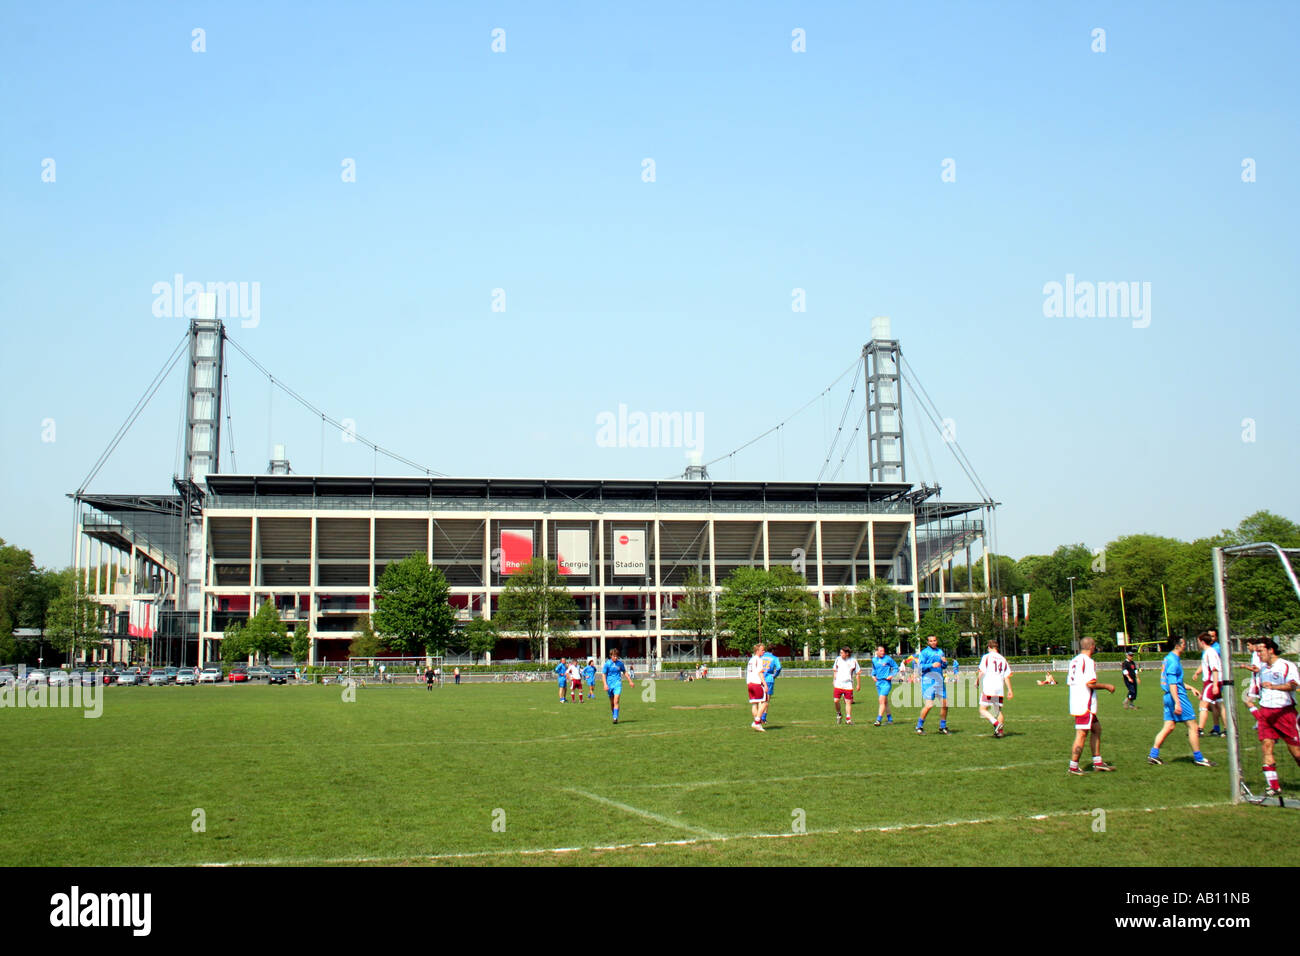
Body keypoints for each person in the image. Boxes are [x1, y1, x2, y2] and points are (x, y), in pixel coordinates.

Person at [1147, 635, 1213, 767]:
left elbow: (1176, 681)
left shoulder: (1168, 659)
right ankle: (1198, 758)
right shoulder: (1173, 661)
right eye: (1183, 643)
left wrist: (1191, 687)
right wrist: (1177, 702)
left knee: (1169, 726)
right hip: (1177, 696)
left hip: (1168, 696)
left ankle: (1153, 755)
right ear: (1177, 645)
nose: (1185, 645)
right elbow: (1172, 683)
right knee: (1193, 726)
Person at [1254, 637, 1300, 795]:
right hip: (1266, 712)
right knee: (1266, 747)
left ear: (1270, 650)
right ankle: (1273, 786)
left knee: (1297, 753)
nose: (1258, 654)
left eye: (1260, 651)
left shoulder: (1287, 666)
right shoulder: (1262, 669)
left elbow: (1293, 685)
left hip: (1284, 713)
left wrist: (1274, 686)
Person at [1067, 637, 1116, 774]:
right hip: (1085, 703)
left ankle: (1098, 762)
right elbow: (1090, 684)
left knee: (1096, 729)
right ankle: (1073, 766)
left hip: (1077, 700)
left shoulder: (1074, 661)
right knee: (1082, 734)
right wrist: (1107, 686)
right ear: (1092, 646)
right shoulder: (1088, 662)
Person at [915, 635, 950, 735]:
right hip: (928, 681)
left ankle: (942, 727)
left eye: (934, 640)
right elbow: (919, 667)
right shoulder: (924, 652)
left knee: (945, 704)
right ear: (928, 642)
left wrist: (944, 662)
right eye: (931, 641)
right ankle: (919, 726)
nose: (933, 642)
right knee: (929, 705)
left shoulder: (940, 652)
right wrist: (931, 665)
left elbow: (943, 666)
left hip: (939, 681)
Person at [977, 638, 1013, 737]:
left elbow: (982, 671)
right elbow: (1006, 676)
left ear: (989, 647)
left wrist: (977, 682)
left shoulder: (987, 657)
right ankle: (1000, 732)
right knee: (998, 710)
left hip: (989, 687)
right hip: (999, 688)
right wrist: (1010, 690)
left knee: (982, 709)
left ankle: (996, 724)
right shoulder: (1002, 659)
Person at [1195, 631, 1224, 737]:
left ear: (1202, 642)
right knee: (1219, 705)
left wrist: (1215, 684)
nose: (1198, 643)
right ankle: (1225, 729)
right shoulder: (1209, 652)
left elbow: (1215, 669)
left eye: (1198, 641)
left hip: (1211, 682)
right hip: (1213, 681)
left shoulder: (1210, 652)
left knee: (1203, 705)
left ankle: (1200, 729)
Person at [602, 648, 632, 724]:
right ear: (610, 656)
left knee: (616, 700)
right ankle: (614, 715)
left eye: (616, 656)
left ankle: (615, 718)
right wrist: (605, 684)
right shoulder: (607, 664)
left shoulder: (620, 664)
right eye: (614, 656)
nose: (615, 657)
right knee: (612, 703)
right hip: (609, 685)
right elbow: (604, 674)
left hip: (617, 684)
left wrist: (630, 681)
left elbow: (624, 672)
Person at [832, 645, 860, 726]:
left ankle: (848, 719)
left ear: (847, 653)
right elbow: (835, 670)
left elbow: (858, 673)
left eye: (842, 652)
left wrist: (858, 684)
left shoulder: (853, 661)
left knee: (848, 702)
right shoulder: (838, 659)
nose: (840, 654)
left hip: (848, 684)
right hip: (838, 684)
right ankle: (839, 713)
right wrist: (834, 680)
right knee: (836, 700)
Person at [871, 645, 898, 726]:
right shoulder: (874, 660)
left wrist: (891, 675)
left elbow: (896, 667)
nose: (882, 652)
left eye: (883, 651)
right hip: (878, 683)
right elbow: (874, 669)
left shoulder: (888, 659)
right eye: (880, 651)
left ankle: (878, 720)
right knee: (885, 702)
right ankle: (890, 719)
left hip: (886, 683)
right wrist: (873, 675)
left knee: (881, 701)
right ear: (877, 652)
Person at [746, 645, 770, 732]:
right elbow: (760, 673)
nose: (764, 652)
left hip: (749, 684)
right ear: (757, 651)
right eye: (762, 650)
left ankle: (757, 724)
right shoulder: (759, 660)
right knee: (765, 702)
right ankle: (757, 722)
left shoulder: (751, 660)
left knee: (754, 704)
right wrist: (765, 684)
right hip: (756, 683)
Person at [759, 644, 782, 724]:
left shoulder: (761, 656)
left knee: (760, 699)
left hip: (760, 679)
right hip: (769, 680)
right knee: (766, 700)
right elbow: (779, 667)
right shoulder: (774, 658)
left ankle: (759, 717)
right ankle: (763, 718)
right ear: (773, 650)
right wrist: (775, 675)